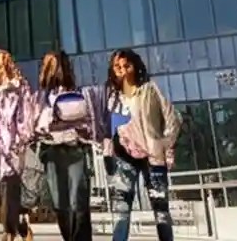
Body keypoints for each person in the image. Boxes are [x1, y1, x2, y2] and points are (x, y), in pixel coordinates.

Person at [103, 48, 181, 241]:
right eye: (117, 67)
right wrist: (107, 154)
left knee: (160, 209)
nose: (122, 70)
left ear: (134, 66)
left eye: (126, 66)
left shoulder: (149, 89)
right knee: (122, 210)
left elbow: (173, 119)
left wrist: (164, 145)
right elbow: (106, 129)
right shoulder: (111, 98)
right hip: (124, 156)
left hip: (152, 158)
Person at [33, 49, 104, 241]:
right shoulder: (40, 98)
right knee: (60, 204)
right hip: (52, 151)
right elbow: (33, 126)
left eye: (59, 64)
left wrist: (83, 130)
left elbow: (90, 124)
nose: (55, 70)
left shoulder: (79, 93)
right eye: (50, 65)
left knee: (78, 202)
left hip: (75, 149)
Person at [0, 49, 37, 241]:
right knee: (4, 188)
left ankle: (9, 231)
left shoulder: (20, 85)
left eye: (2, 65)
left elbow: (27, 113)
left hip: (14, 144)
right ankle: (21, 225)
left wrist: (23, 137)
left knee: (9, 186)